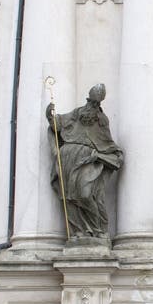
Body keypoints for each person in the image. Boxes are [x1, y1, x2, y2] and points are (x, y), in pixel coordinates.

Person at [46, 83, 123, 238]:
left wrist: (115, 154)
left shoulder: (102, 120)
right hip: (68, 158)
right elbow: (57, 124)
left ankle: (98, 230)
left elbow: (107, 142)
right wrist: (50, 114)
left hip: (88, 160)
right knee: (69, 197)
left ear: (99, 104)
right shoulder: (76, 114)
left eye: (96, 104)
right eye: (90, 102)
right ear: (87, 100)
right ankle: (80, 231)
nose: (92, 106)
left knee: (85, 194)